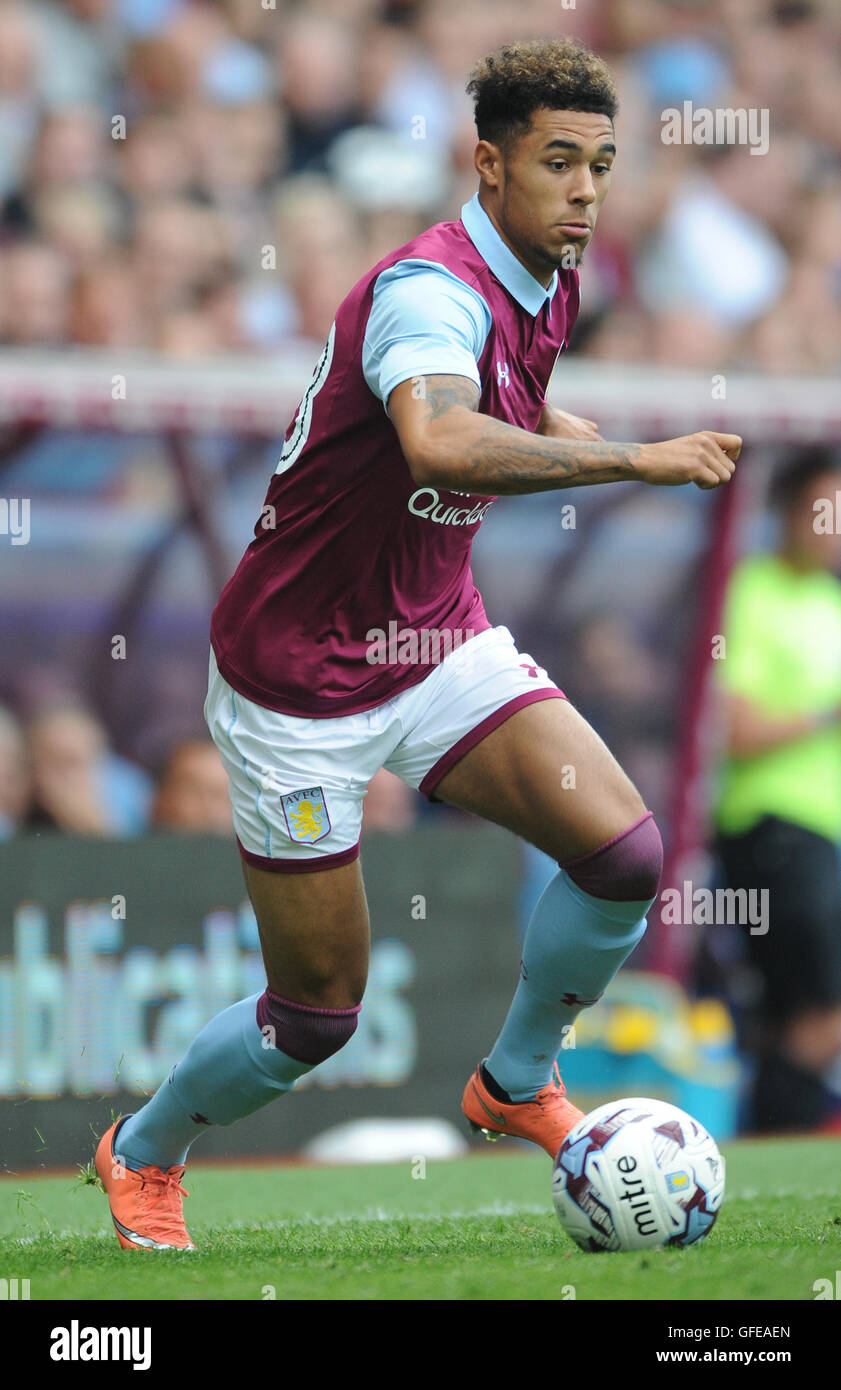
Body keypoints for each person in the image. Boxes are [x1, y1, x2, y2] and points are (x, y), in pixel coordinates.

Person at [93, 36, 739, 1250]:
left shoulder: (548, 274)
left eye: (601, 164)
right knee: (315, 1017)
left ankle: (514, 1077)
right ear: (487, 165)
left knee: (620, 854)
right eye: (559, 163)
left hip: (434, 638)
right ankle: (144, 1147)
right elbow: (441, 439)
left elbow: (494, 392)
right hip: (297, 686)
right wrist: (631, 457)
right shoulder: (425, 290)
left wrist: (553, 416)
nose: (587, 190)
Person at [714, 450, 841, 1132]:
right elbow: (734, 730)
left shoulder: (830, 601)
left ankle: (773, 1137)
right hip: (773, 827)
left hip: (825, 828)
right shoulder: (747, 592)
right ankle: (774, 1135)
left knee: (802, 1015)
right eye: (824, 510)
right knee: (817, 1012)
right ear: (785, 514)